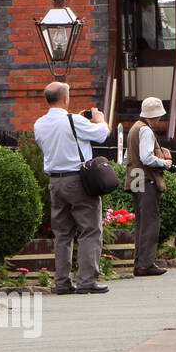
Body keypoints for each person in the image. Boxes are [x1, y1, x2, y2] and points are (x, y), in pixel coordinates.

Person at [32, 82, 111, 295]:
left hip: (55, 182)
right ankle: (86, 281)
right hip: (78, 180)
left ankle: (62, 283)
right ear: (66, 98)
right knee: (90, 229)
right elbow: (102, 134)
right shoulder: (74, 121)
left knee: (62, 233)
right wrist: (100, 119)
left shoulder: (39, 124)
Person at [124, 97, 171, 277]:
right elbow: (146, 157)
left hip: (135, 180)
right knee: (151, 222)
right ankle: (146, 264)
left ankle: (140, 263)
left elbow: (128, 157)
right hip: (147, 180)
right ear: (156, 116)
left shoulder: (134, 129)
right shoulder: (146, 131)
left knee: (141, 222)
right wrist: (164, 163)